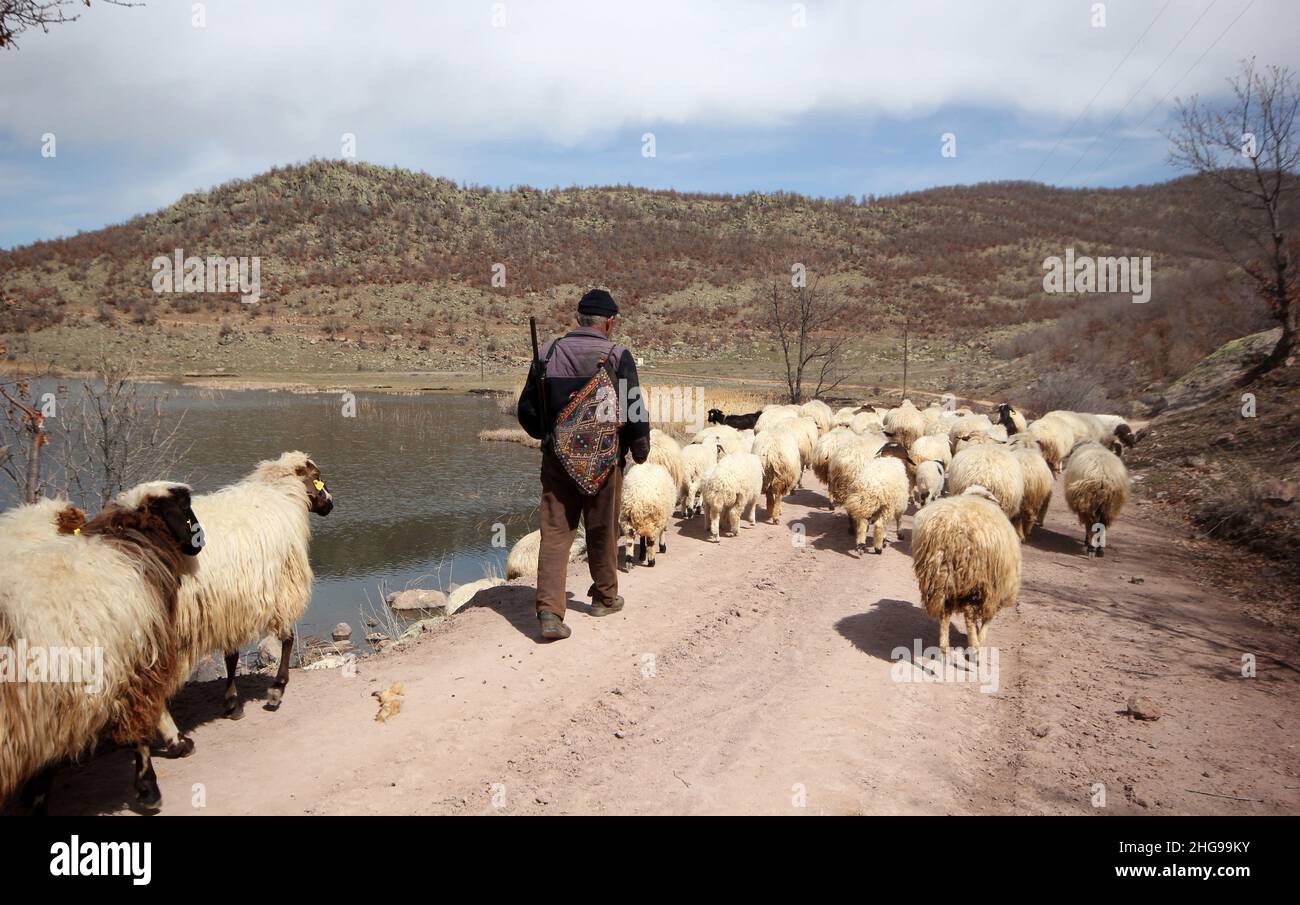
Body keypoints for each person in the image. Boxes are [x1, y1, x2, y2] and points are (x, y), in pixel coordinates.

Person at [517, 289, 650, 640]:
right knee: (603, 528)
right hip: (605, 463)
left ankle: (548, 612)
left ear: (578, 319)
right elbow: (634, 407)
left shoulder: (547, 353)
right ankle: (605, 598)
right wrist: (640, 447)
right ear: (610, 322)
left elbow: (527, 412)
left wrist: (550, 434)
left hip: (557, 463)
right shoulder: (617, 355)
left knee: (557, 534)